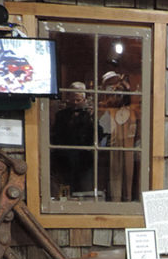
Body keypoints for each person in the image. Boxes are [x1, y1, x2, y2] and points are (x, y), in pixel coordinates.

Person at [99, 71, 138, 201]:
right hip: (112, 148)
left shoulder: (133, 110)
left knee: (128, 172)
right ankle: (115, 198)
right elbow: (102, 129)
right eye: (110, 87)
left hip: (129, 149)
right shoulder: (106, 110)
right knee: (114, 172)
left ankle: (128, 196)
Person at [50, 81, 96, 195]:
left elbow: (96, 134)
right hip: (64, 159)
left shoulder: (89, 115)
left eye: (78, 100)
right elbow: (56, 135)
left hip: (84, 160)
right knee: (65, 190)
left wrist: (91, 118)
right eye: (73, 99)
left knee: (86, 191)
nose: (75, 103)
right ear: (68, 98)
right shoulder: (61, 115)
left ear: (84, 100)